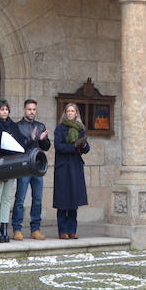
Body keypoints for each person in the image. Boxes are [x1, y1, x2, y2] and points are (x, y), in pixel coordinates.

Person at [0, 99, 27, 242]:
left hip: (10, 165)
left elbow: (20, 143)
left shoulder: (13, 126)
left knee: (7, 198)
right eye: (2, 109)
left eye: (6, 109)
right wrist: (2, 144)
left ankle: (4, 228)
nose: (4, 112)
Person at [11, 98, 50, 240]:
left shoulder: (40, 125)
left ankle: (35, 229)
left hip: (38, 166)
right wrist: (32, 139)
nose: (32, 112)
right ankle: (17, 228)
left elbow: (46, 147)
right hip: (24, 166)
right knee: (20, 198)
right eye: (29, 109)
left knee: (38, 199)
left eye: (34, 109)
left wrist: (43, 140)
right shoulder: (17, 126)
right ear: (24, 110)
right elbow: (18, 148)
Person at [52, 102, 90, 239]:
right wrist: (74, 146)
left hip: (75, 167)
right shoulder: (60, 129)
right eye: (68, 111)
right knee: (63, 200)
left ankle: (72, 230)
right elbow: (59, 147)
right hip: (63, 167)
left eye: (73, 111)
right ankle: (62, 231)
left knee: (73, 200)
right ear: (65, 113)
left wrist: (84, 144)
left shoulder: (81, 129)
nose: (70, 113)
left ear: (76, 113)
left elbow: (86, 149)